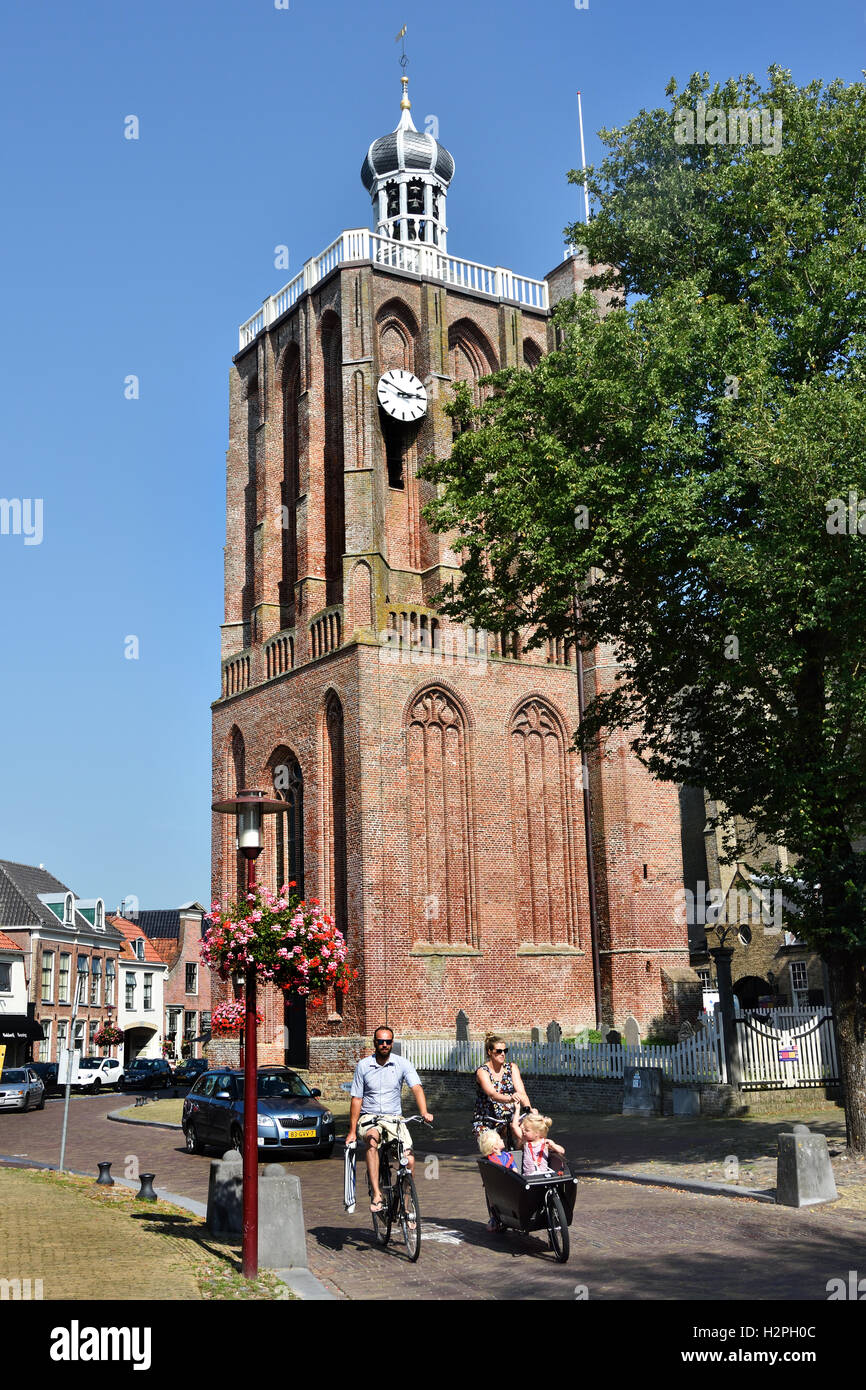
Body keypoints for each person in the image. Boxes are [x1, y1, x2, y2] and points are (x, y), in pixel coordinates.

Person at [345, 1026, 434, 1213]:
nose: (384, 1045)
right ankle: (377, 1194)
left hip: (394, 1119)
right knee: (372, 1139)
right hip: (370, 1117)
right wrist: (352, 1131)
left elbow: (416, 1087)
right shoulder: (363, 1066)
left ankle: (406, 1204)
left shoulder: (402, 1064)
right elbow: (357, 1099)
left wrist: (424, 1112)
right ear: (374, 1043)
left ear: (392, 1043)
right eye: (380, 1041)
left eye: (388, 1041)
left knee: (409, 1160)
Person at [472, 1032, 531, 1140]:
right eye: (499, 1051)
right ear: (490, 1052)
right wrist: (511, 1098)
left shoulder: (512, 1068)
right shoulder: (482, 1071)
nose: (503, 1054)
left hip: (509, 1117)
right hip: (487, 1119)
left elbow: (522, 1093)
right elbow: (493, 1094)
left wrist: (529, 1109)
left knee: (526, 1137)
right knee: (494, 1146)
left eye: (505, 1051)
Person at [513, 1109, 565, 1175]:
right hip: (529, 1177)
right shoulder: (526, 1141)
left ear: (537, 1133)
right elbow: (514, 1126)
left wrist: (553, 1146)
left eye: (527, 1130)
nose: (523, 1131)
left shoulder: (545, 1143)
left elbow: (562, 1151)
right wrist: (517, 1109)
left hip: (543, 1176)